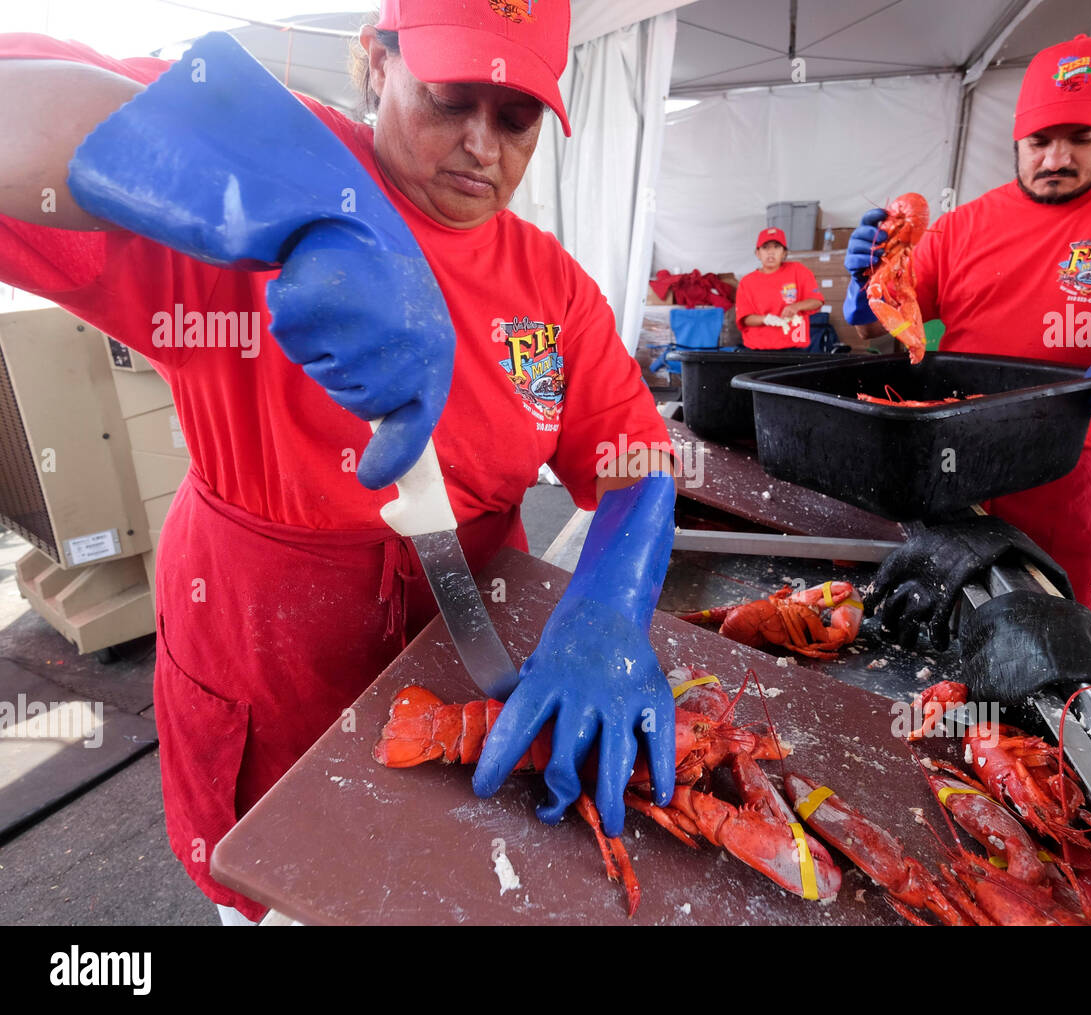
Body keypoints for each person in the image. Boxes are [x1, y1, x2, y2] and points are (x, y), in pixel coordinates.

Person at [0, 0, 679, 923]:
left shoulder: (551, 286)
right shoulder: (274, 148)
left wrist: (610, 599)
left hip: (465, 670)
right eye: (450, 97)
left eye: (516, 117)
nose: (482, 144)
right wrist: (280, 212)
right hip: (267, 661)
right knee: (280, 897)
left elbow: (638, 458)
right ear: (374, 64)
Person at [845, 34, 1091, 617]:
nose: (1057, 159)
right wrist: (862, 287)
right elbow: (870, 332)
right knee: (938, 612)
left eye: (1083, 138)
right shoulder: (961, 228)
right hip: (951, 454)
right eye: (1040, 141)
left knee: (1056, 617)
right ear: (1015, 131)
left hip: (1068, 463)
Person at [734, 226, 824, 349]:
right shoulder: (747, 282)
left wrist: (796, 306)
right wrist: (766, 319)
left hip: (794, 347)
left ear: (784, 253)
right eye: (765, 248)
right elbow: (745, 319)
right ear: (758, 253)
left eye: (776, 247)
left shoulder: (798, 271)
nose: (771, 252)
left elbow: (817, 301)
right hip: (758, 348)